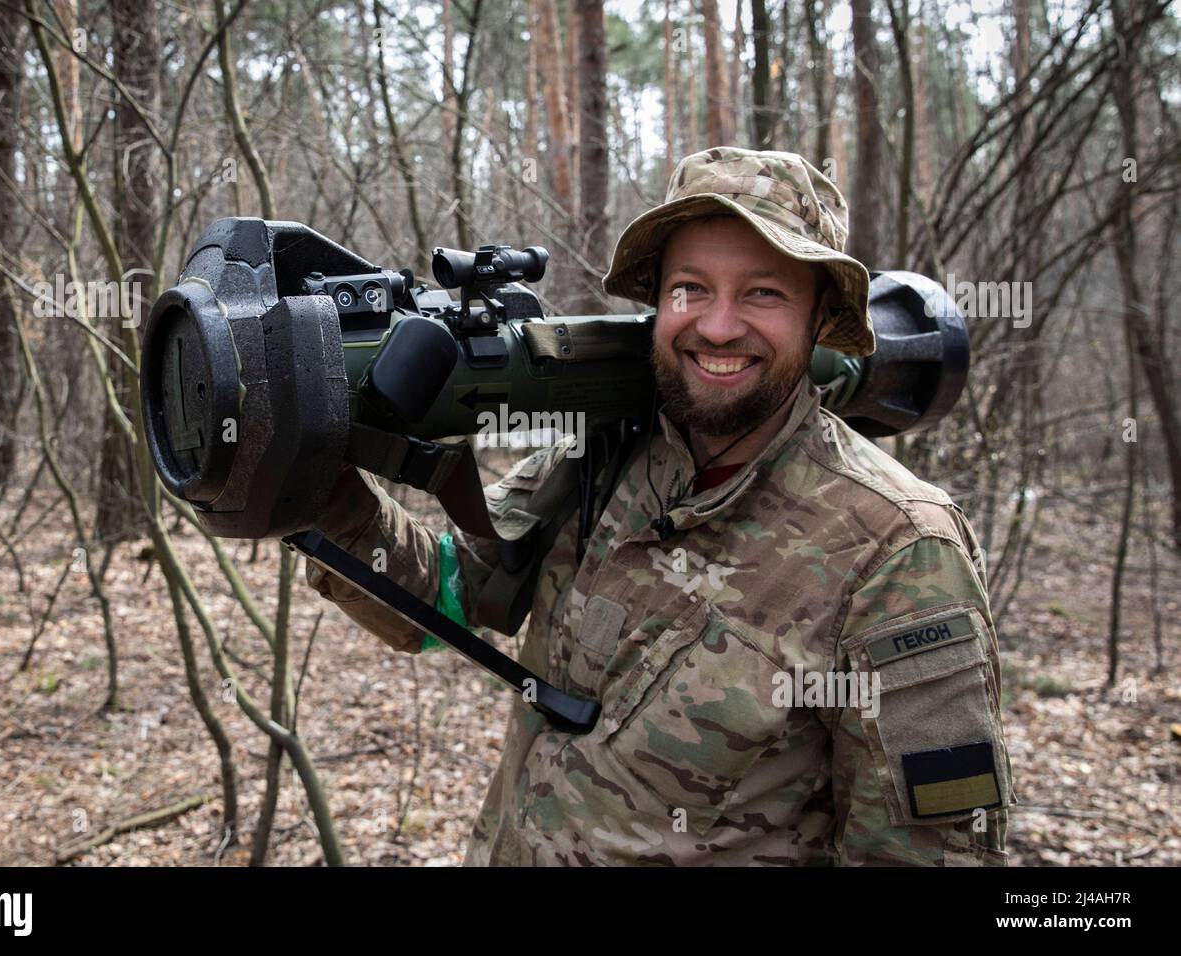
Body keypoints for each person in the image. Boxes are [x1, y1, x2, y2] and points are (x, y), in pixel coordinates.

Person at [307, 146, 1014, 866]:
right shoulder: (603, 450)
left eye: (763, 293)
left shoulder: (898, 550)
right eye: (689, 288)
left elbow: (928, 856)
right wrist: (319, 497)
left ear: (822, 317)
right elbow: (450, 598)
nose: (715, 326)